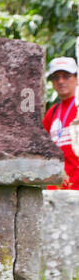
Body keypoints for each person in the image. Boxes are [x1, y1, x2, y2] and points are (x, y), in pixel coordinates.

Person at [43, 55, 79, 190]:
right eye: (56, 77)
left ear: (76, 78)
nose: (61, 81)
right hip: (55, 188)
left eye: (66, 76)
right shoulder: (51, 113)